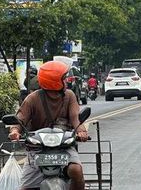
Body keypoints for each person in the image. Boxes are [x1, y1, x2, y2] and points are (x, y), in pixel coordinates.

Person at [9, 59, 89, 190]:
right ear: (54, 81)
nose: (66, 82)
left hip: (64, 146)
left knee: (76, 170)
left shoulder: (69, 96)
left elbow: (75, 119)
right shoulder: (32, 98)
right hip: (37, 148)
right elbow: (20, 119)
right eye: (63, 79)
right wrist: (15, 131)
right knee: (25, 187)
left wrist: (81, 131)